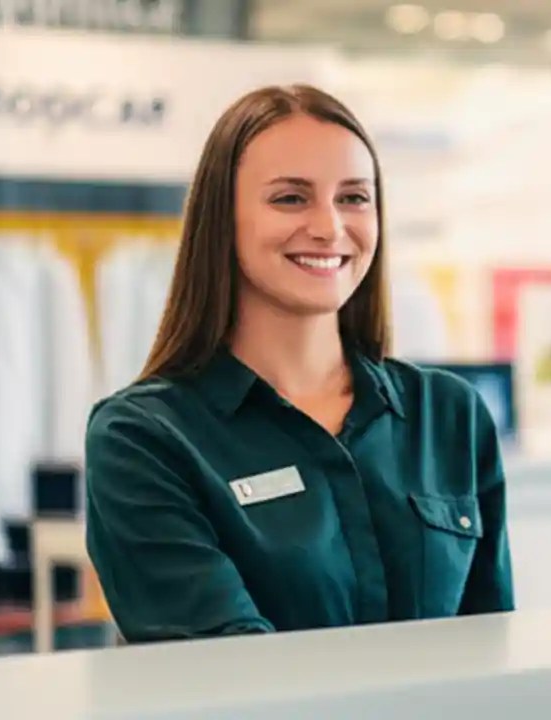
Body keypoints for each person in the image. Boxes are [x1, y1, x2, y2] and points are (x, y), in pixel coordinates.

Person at [84, 84, 513, 643]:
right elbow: (224, 668)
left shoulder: (449, 414)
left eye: (353, 198)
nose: (329, 227)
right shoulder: (144, 440)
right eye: (290, 198)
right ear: (222, 219)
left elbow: (490, 647)